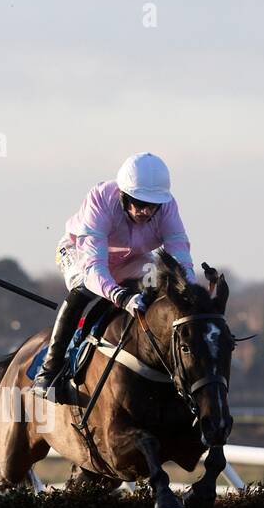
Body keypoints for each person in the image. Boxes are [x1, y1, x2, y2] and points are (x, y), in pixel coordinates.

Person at [30, 152, 196, 402]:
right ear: (123, 195)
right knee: (84, 289)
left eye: (152, 206)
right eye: (138, 203)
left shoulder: (168, 207)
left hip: (131, 259)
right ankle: (49, 370)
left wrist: (191, 294)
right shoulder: (100, 199)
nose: (145, 211)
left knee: (158, 285)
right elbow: (94, 267)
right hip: (81, 253)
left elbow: (180, 258)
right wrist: (120, 295)